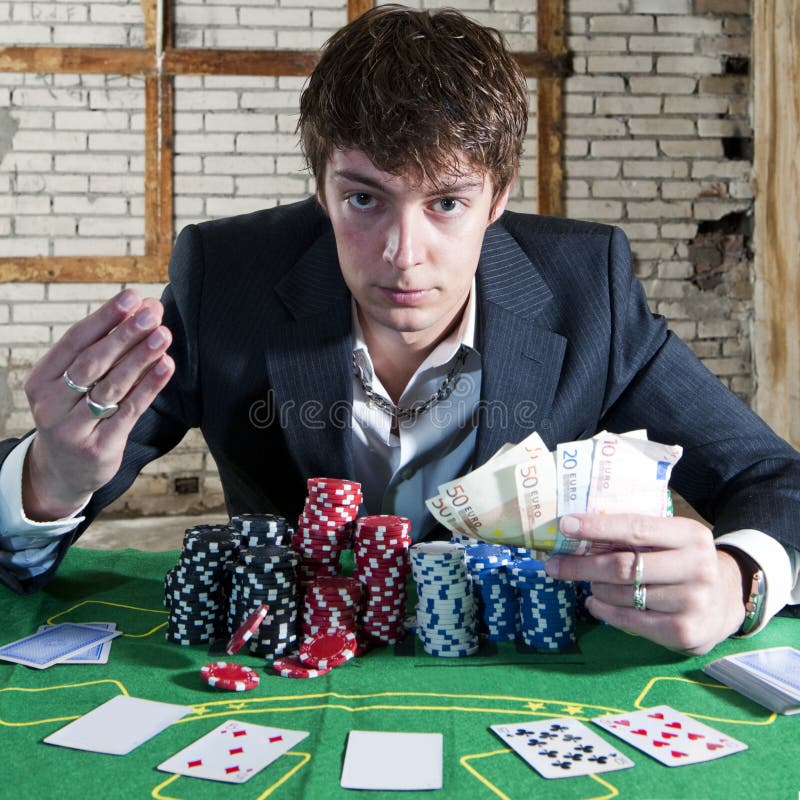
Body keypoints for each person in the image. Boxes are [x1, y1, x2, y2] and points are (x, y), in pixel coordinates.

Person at [1, 6, 798, 656]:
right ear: (320, 189)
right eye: (364, 199)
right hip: (286, 669)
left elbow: (775, 478)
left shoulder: (586, 290)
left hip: (510, 671)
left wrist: (740, 577)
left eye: (446, 202)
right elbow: (38, 513)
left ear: (498, 197)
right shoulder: (227, 281)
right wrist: (51, 476)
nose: (403, 255)